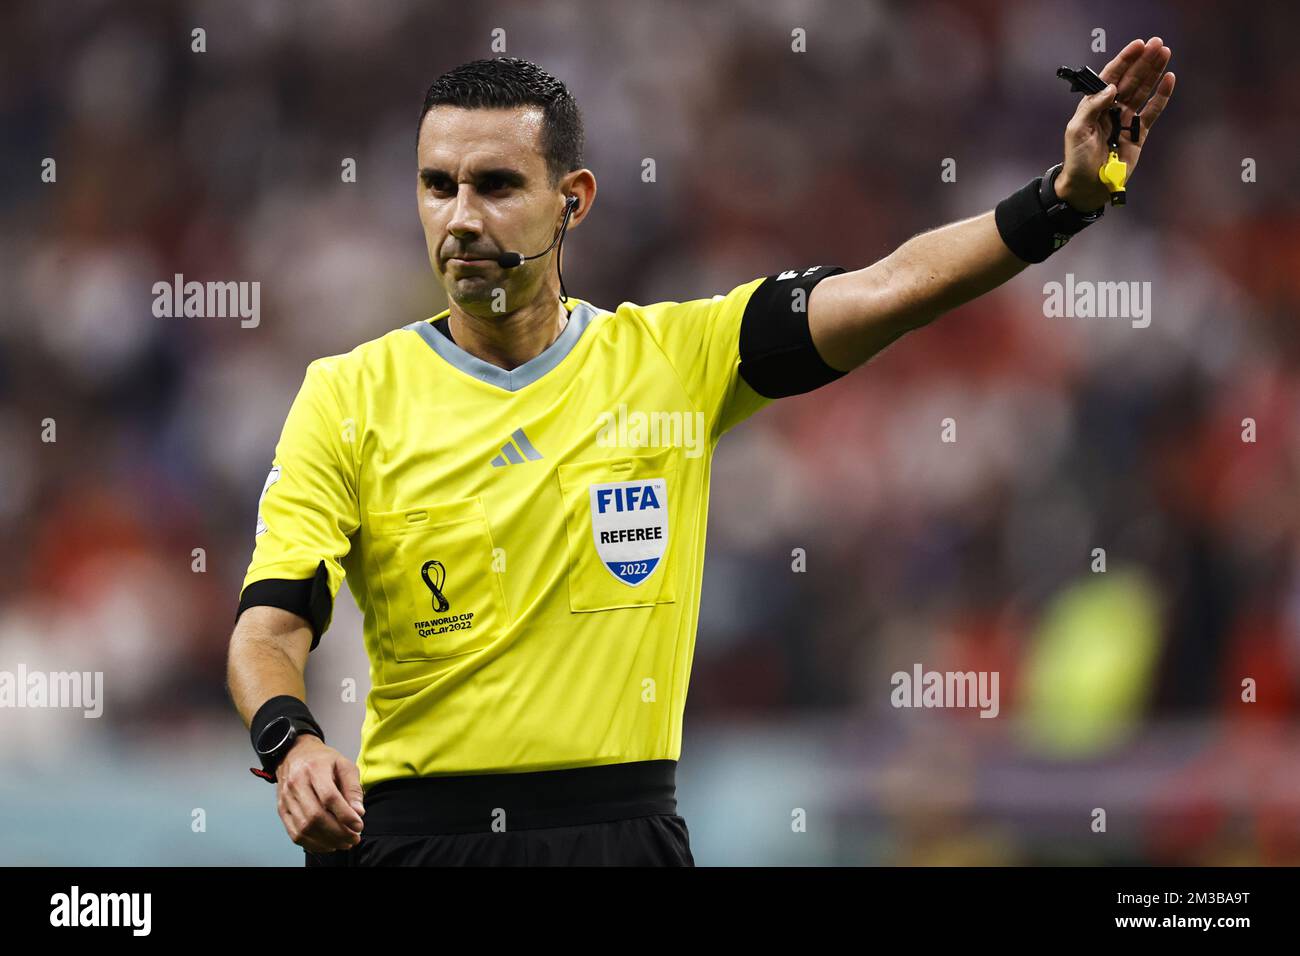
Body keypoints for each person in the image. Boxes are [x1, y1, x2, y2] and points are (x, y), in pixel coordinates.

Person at [225, 44, 1175, 866]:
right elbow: (268, 631)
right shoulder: (347, 393)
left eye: (497, 184)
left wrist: (1062, 202)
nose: (461, 216)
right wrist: (294, 743)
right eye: (439, 186)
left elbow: (889, 289)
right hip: (412, 839)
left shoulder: (678, 360)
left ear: (572, 201)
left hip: (620, 832)